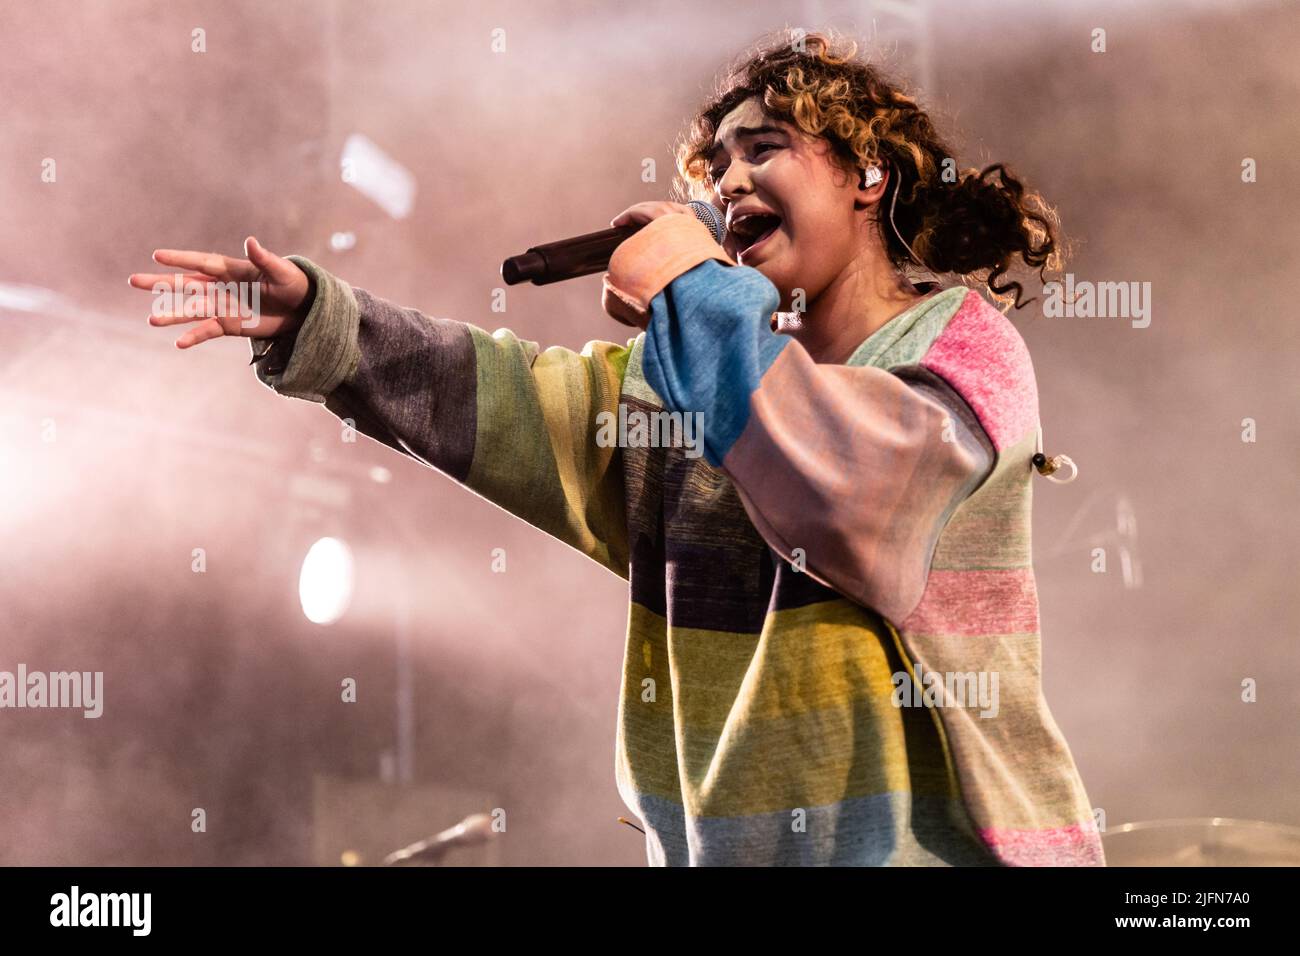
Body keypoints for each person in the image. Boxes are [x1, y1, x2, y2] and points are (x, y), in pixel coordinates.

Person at [128, 28, 1102, 866]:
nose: (728, 181)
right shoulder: (689, 377)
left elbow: (845, 500)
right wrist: (325, 323)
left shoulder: (960, 347)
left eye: (763, 148)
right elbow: (510, 394)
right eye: (715, 166)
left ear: (866, 170)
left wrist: (693, 285)